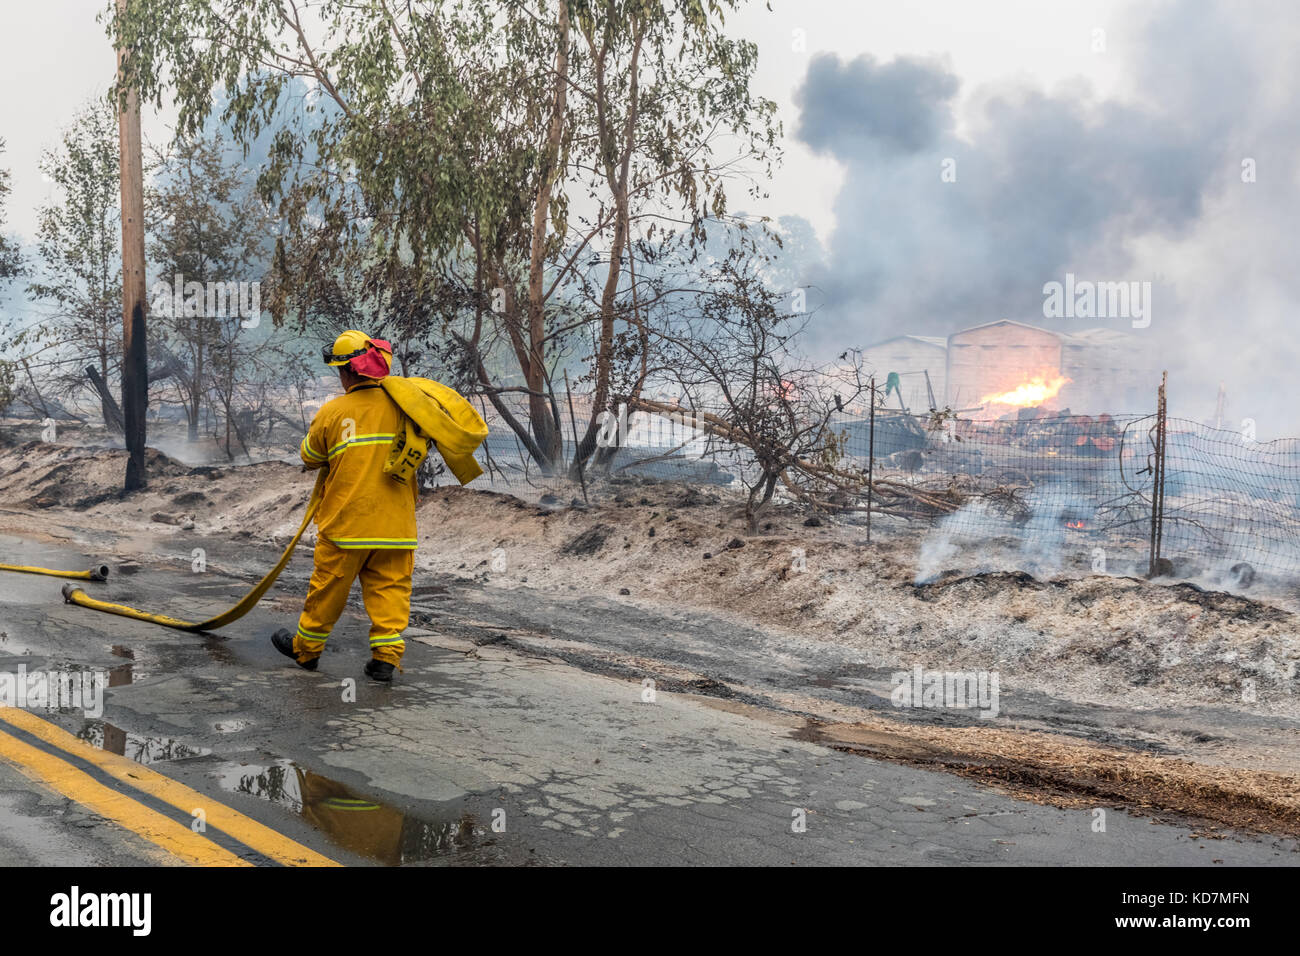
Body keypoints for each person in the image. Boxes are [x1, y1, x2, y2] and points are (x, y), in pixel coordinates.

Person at [271, 330, 419, 683]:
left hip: (346, 524)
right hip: (396, 527)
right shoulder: (406, 409)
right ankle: (385, 659)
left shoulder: (333, 412)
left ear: (348, 373)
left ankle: (306, 652)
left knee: (327, 591)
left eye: (339, 370)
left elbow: (309, 457)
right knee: (390, 593)